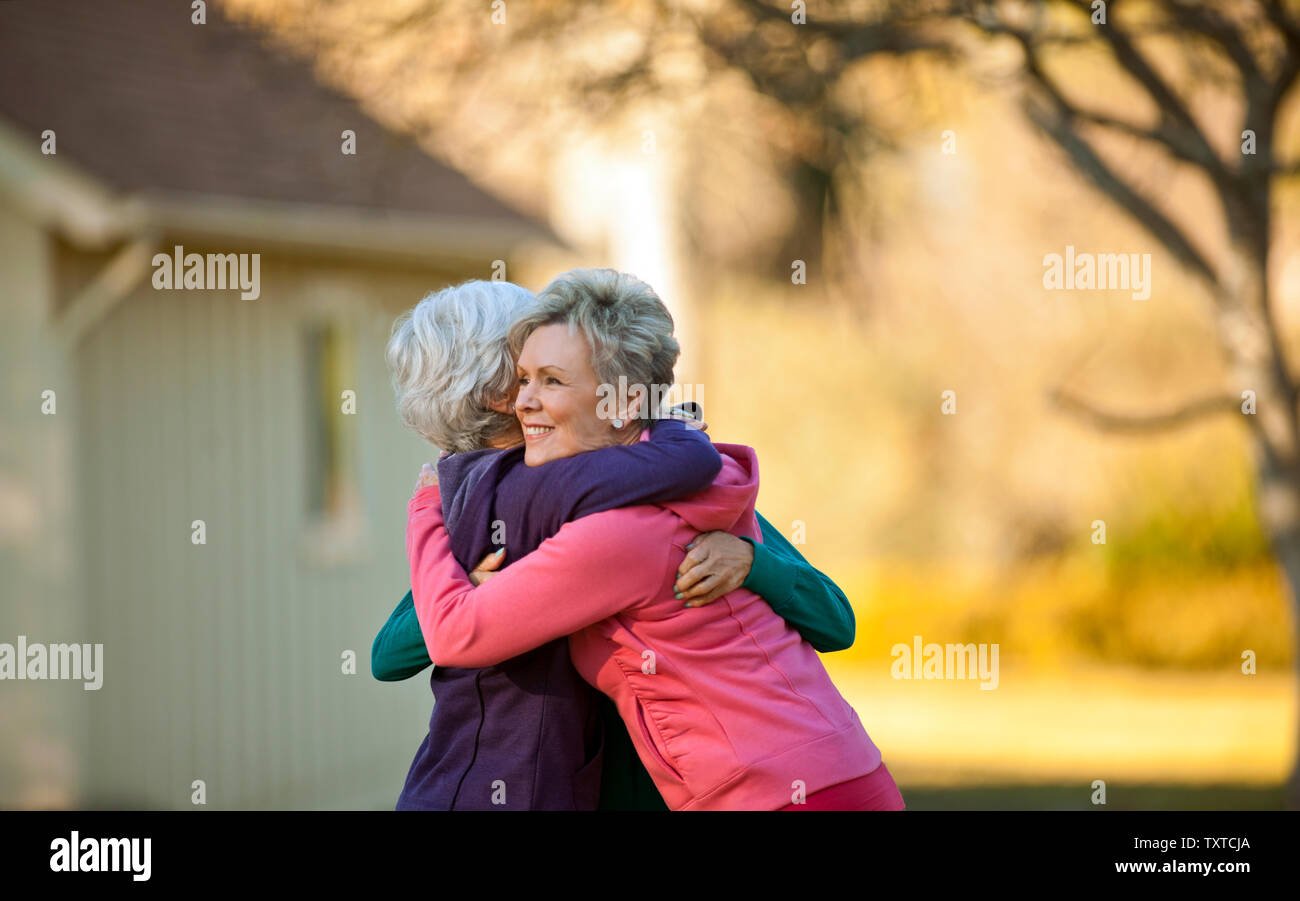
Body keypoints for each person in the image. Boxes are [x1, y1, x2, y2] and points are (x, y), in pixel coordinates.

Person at [406, 269, 904, 810]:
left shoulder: (625, 525)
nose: (523, 402)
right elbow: (391, 650)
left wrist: (427, 509)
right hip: (813, 774)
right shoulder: (687, 480)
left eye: (551, 380)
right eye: (522, 379)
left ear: (622, 403)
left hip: (775, 792)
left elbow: (454, 633)